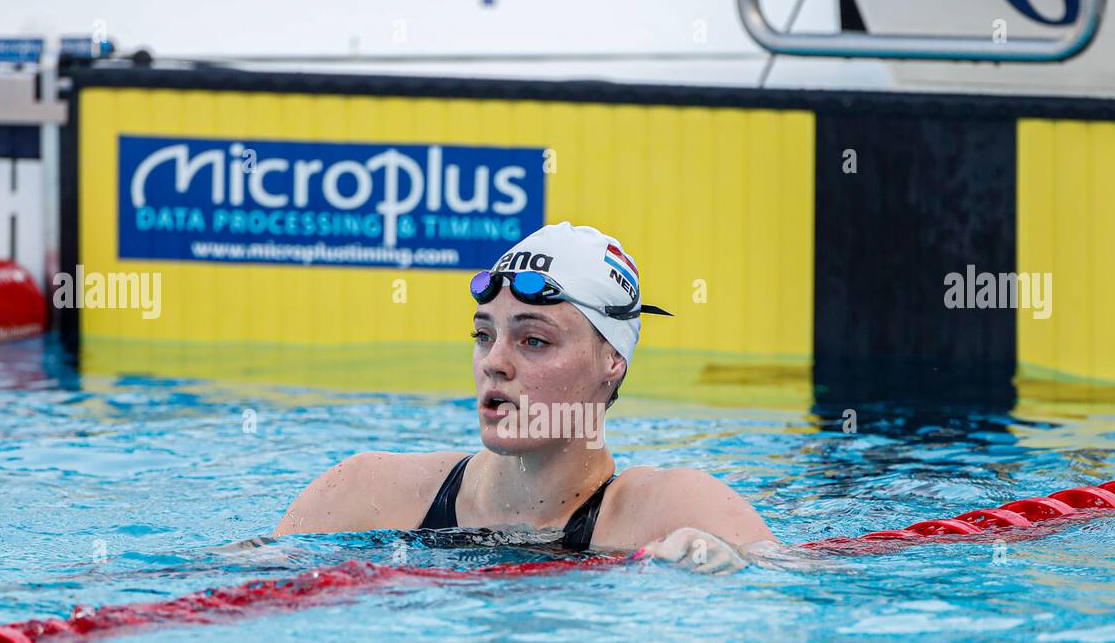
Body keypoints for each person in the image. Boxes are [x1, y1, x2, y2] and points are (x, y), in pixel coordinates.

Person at [275, 222, 779, 573]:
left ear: (613, 362)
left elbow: (797, 591)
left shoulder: (674, 511)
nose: (495, 361)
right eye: (483, 336)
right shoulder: (363, 493)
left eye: (533, 340)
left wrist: (721, 565)